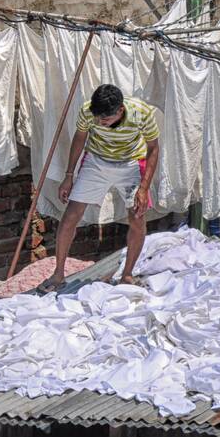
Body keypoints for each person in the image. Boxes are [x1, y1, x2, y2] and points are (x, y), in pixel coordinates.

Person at [48, 83, 159, 286]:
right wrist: (69, 175)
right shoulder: (88, 111)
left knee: (137, 217)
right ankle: (58, 274)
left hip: (131, 163)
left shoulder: (141, 113)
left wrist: (143, 188)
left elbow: (153, 148)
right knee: (71, 214)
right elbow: (80, 138)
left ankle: (127, 274)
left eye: (105, 119)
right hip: (96, 161)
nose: (99, 122)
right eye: (97, 117)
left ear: (120, 111)